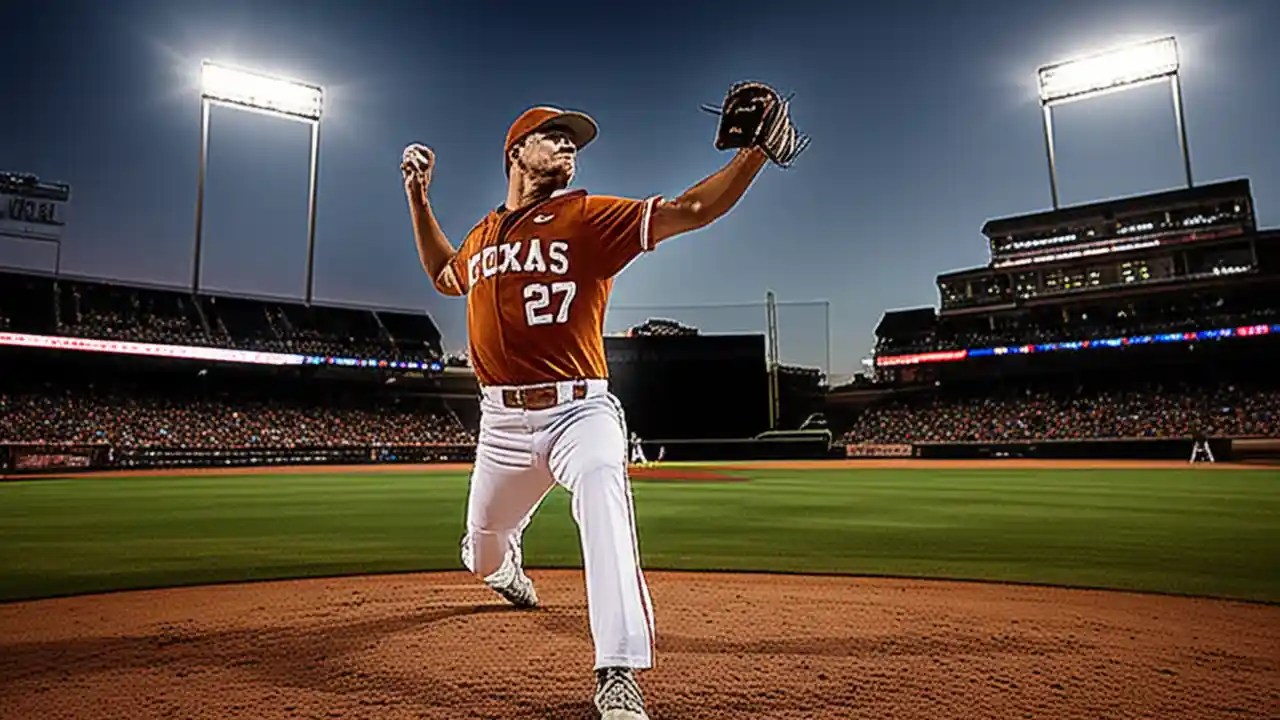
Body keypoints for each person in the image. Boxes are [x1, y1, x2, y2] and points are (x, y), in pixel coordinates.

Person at [402, 102, 773, 720]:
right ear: (514, 153)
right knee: (481, 550)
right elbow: (445, 273)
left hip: (581, 412)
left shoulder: (588, 216)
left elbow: (694, 210)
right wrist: (419, 198)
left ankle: (618, 669)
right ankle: (505, 570)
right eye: (553, 137)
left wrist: (751, 155)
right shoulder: (484, 234)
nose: (569, 147)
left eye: (573, 141)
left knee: (603, 487)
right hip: (500, 428)